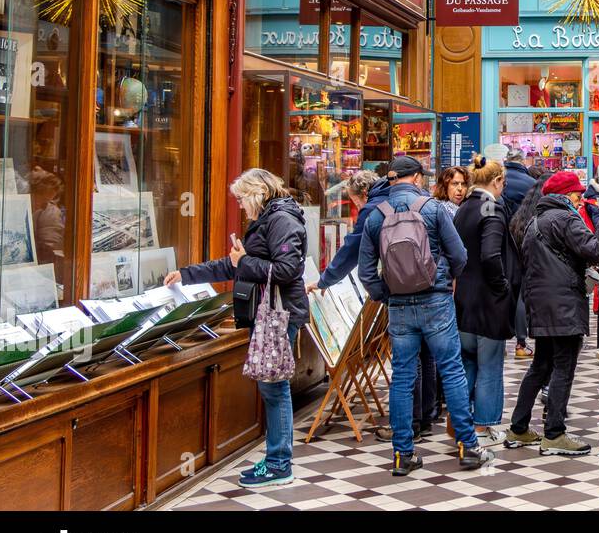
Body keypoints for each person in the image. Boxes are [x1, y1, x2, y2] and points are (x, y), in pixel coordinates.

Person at [169, 169, 306, 488]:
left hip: (279, 313)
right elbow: (234, 264)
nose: (241, 205)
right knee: (272, 387)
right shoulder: (269, 219)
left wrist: (243, 262)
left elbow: (286, 270)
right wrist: (186, 275)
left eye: (242, 198)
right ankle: (276, 458)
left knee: (275, 387)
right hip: (269, 312)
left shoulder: (282, 220)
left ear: (258, 192)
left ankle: (279, 462)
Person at [359, 155, 493, 474]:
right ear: (418, 178)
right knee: (451, 369)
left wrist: (386, 293)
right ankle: (468, 447)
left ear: (391, 181)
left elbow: (366, 271)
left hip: (399, 306)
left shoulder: (376, 215)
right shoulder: (432, 208)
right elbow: (459, 254)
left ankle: (403, 454)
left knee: (403, 376)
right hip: (436, 300)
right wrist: (445, 281)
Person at [308, 168, 434, 443]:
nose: (356, 208)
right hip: (429, 290)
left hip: (399, 290)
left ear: (363, 195)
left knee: (407, 361)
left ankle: (410, 424)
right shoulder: (418, 202)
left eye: (355, 203)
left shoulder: (374, 209)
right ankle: (425, 415)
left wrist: (327, 281)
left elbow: (354, 252)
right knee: (426, 354)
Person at [504, 171, 599, 455]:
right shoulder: (565, 218)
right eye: (575, 193)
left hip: (541, 304)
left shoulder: (535, 221)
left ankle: (518, 427)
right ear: (564, 195)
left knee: (541, 366)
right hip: (564, 305)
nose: (579, 198)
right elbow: (594, 249)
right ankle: (554, 434)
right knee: (563, 367)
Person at [453, 156, 514, 443]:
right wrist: (502, 286)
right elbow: (491, 254)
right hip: (488, 299)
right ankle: (482, 425)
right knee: (490, 364)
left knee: (467, 363)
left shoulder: (463, 207)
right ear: (497, 181)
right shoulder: (491, 207)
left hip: (463, 297)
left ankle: (460, 422)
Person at [500, 147, 537, 360]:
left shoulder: (500, 180)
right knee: (521, 291)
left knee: (501, 288)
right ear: (522, 161)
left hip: (498, 240)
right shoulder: (529, 183)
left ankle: (500, 338)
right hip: (521, 241)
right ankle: (521, 342)